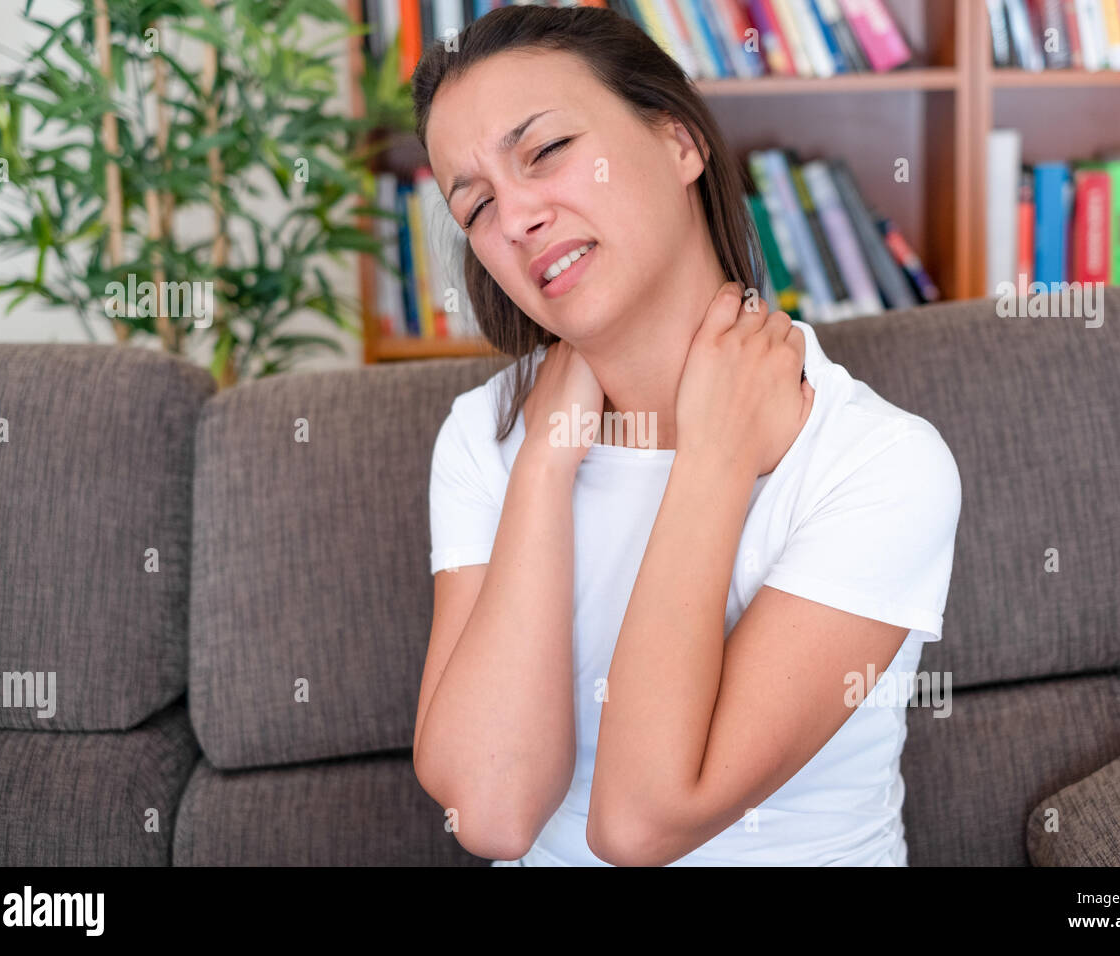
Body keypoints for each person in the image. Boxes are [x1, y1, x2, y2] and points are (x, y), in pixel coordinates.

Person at [409, 5, 961, 867]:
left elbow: (642, 823)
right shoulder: (484, 436)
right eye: (475, 206)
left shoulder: (879, 464)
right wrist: (546, 464)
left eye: (547, 152)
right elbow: (493, 812)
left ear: (679, 143)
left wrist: (714, 455)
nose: (514, 219)